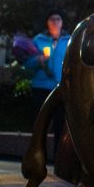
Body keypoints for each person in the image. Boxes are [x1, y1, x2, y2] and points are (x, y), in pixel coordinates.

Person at [26, 12, 68, 157]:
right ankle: (37, 154)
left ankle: (58, 156)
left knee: (60, 123)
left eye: (58, 19)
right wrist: (38, 60)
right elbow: (28, 64)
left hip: (59, 88)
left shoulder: (68, 41)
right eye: (52, 19)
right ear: (47, 22)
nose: (55, 22)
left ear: (62, 22)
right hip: (41, 86)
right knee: (40, 124)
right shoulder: (38, 40)